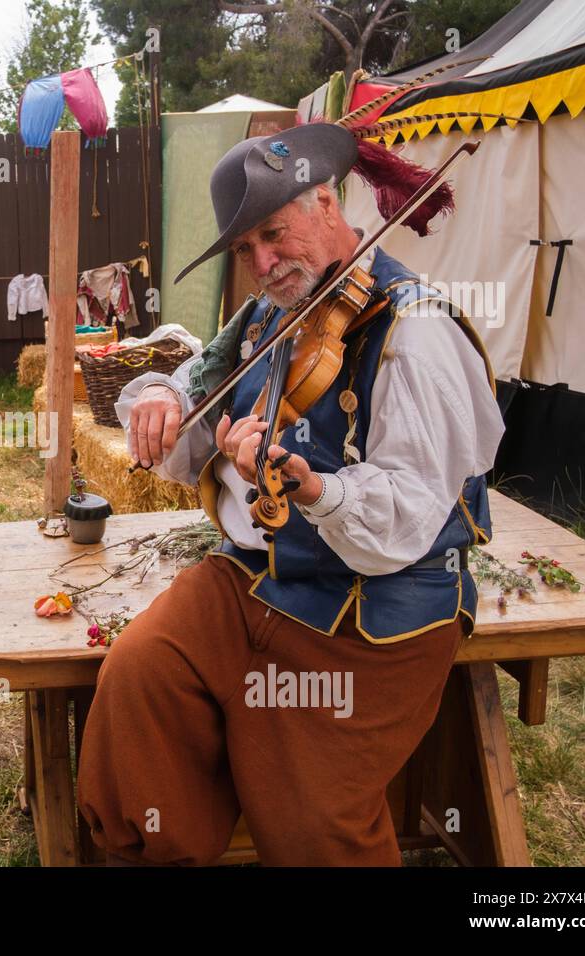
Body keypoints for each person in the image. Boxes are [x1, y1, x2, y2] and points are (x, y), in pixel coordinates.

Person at [76, 122, 506, 866]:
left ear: (327, 202)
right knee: (135, 686)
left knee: (308, 816)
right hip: (254, 581)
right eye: (246, 250)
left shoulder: (416, 331)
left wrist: (316, 491)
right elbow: (193, 402)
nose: (264, 262)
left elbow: (406, 509)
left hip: (377, 611)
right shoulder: (266, 320)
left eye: (274, 234)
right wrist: (158, 400)